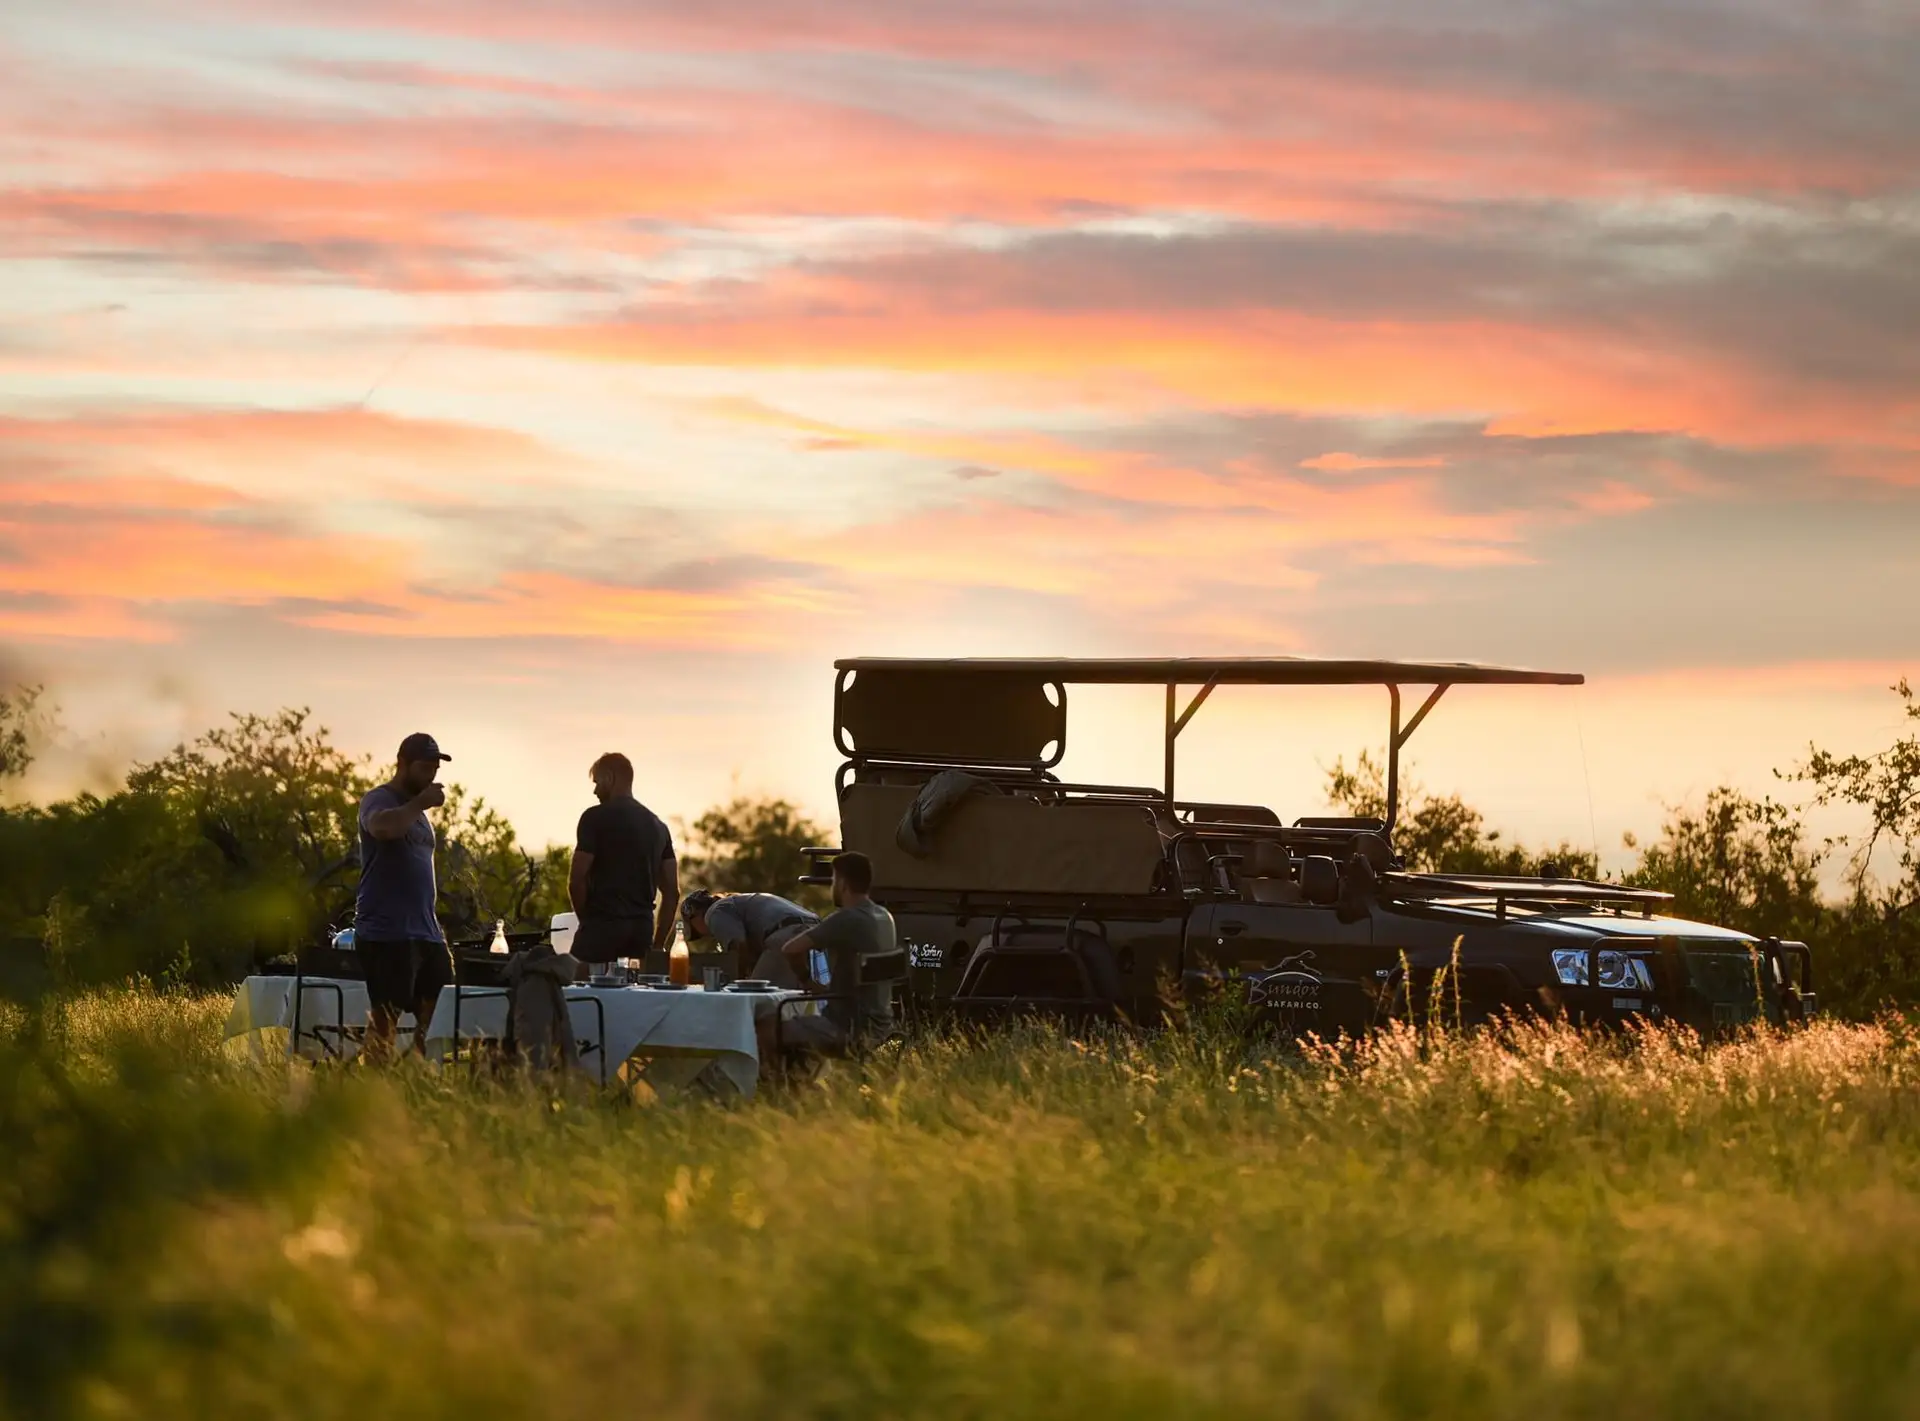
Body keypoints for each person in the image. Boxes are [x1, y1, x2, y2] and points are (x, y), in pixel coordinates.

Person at [355, 731, 454, 1061]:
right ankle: (371, 1086)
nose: (431, 775)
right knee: (385, 1020)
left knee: (439, 1010)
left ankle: (418, 1075)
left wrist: (418, 807)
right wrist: (419, 803)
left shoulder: (419, 815)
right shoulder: (379, 799)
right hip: (387, 932)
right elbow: (384, 829)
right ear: (403, 764)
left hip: (426, 931)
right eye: (424, 768)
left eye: (435, 769)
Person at [755, 850, 895, 1059]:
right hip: (881, 1023)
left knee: (764, 1027)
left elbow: (790, 949)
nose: (832, 886)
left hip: (846, 1025)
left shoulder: (846, 919)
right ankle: (802, 1083)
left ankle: (782, 1086)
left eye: (833, 880)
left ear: (843, 884)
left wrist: (806, 980)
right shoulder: (885, 917)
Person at [569, 752, 678, 975]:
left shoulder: (594, 818)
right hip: (641, 931)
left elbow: (577, 880)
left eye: (597, 782)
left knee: (577, 992)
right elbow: (672, 893)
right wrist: (657, 947)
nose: (595, 791)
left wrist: (587, 921)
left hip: (601, 925)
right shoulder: (659, 827)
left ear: (609, 777)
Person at [681, 889, 820, 980]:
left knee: (757, 1003)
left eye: (695, 931)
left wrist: (737, 978)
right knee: (793, 1003)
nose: (702, 935)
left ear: (694, 914)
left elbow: (738, 945)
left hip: (786, 935)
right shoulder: (736, 905)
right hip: (814, 932)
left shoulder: (713, 913)